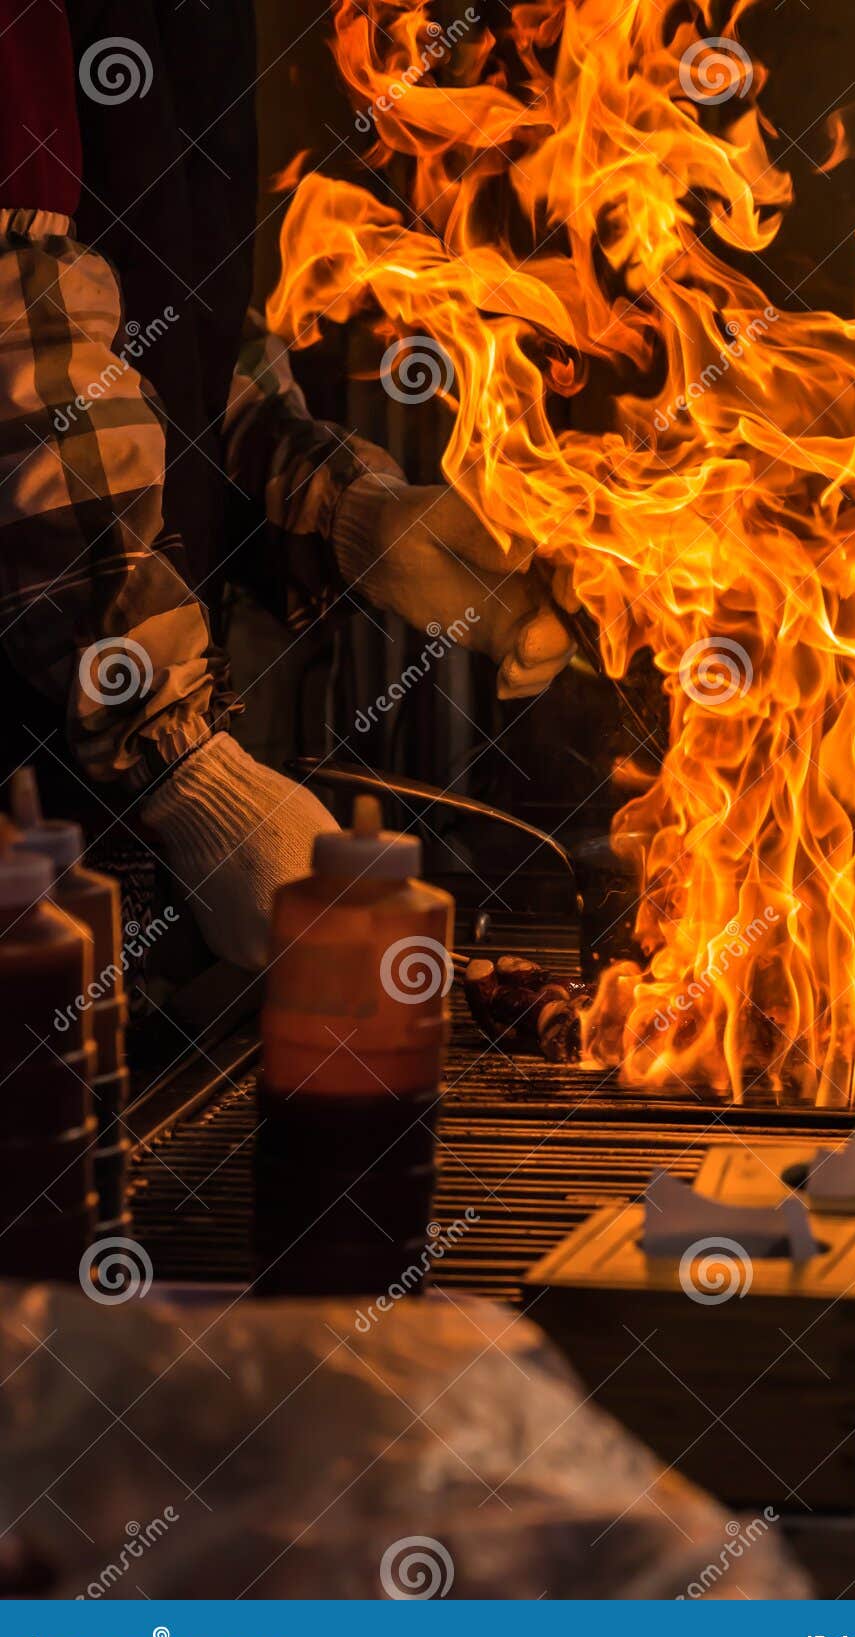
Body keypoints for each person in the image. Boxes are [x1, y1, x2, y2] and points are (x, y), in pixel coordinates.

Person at [0, 0, 574, 969]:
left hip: (104, 847)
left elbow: (171, 351)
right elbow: (22, 379)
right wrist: (187, 767)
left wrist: (351, 511)